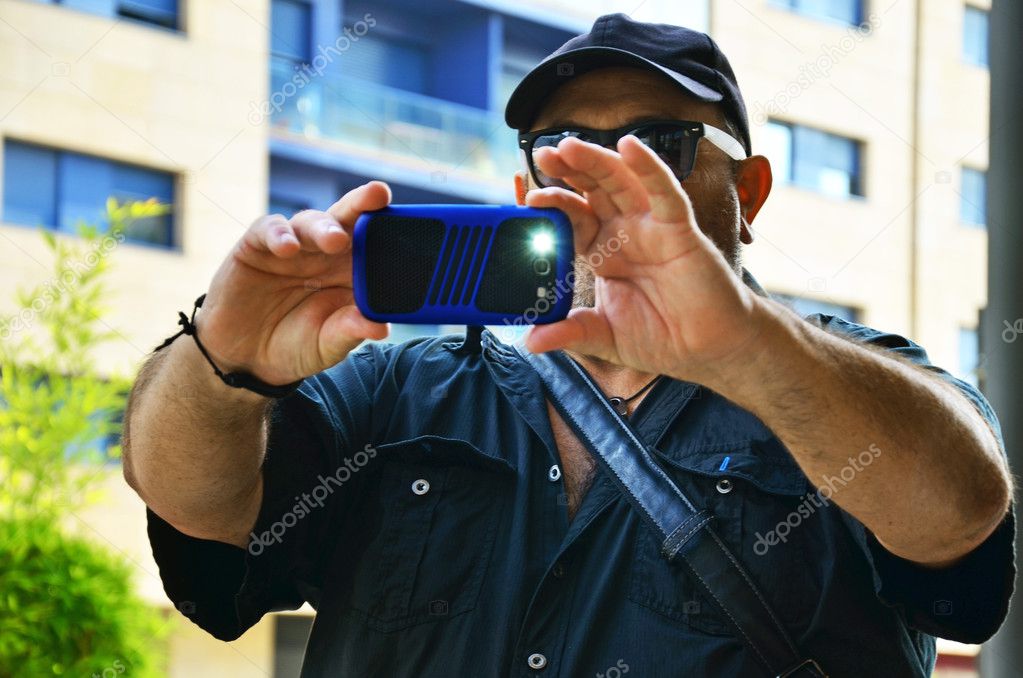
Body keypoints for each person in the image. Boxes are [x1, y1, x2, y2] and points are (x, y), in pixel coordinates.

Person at [122, 13, 1014, 677]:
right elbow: (198, 504)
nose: (600, 172)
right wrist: (222, 361)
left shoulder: (844, 384)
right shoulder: (397, 391)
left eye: (654, 143)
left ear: (748, 189)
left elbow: (958, 510)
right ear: (525, 183)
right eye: (562, 146)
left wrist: (747, 347)